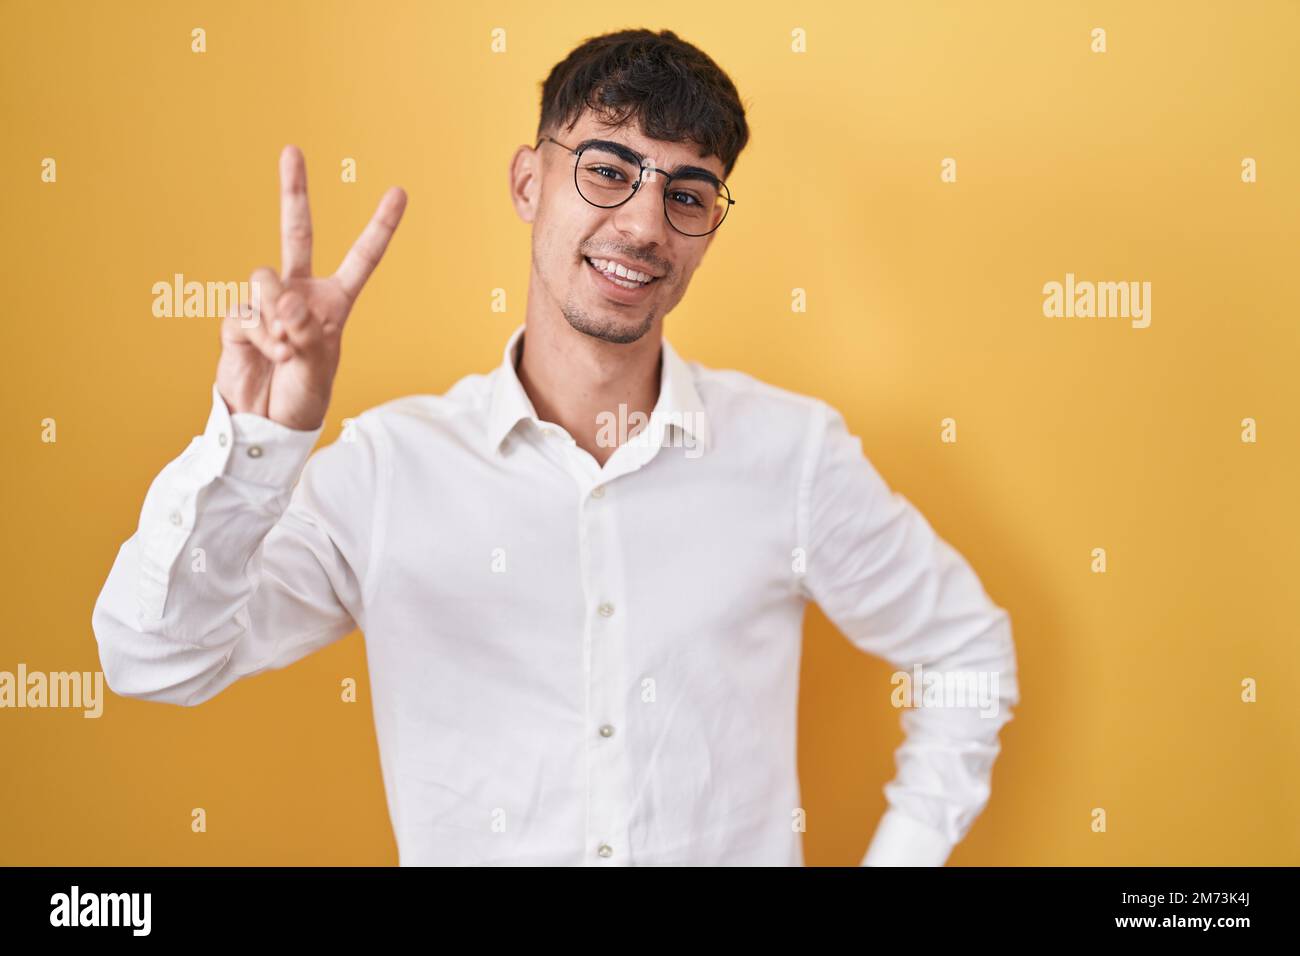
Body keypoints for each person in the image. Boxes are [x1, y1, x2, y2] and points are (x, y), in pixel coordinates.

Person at [92, 28, 1019, 866]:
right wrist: (260, 440)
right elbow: (156, 659)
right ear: (528, 182)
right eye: (609, 170)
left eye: (686, 194)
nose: (646, 226)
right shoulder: (385, 473)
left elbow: (968, 650)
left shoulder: (792, 456)